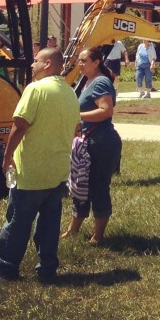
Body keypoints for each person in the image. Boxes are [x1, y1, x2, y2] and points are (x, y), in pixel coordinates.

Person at [0, 47, 79, 284]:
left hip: (31, 171)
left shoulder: (35, 89)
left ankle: (5, 269)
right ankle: (47, 269)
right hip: (57, 170)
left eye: (35, 61)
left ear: (47, 64)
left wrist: (7, 156)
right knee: (50, 223)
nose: (32, 65)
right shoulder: (69, 92)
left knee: (17, 221)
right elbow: (76, 129)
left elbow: (20, 125)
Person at [60, 48, 122, 245]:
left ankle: (98, 236)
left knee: (98, 187)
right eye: (79, 60)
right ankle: (73, 230)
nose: (80, 64)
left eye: (84, 60)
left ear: (96, 62)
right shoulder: (87, 81)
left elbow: (106, 111)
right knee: (80, 185)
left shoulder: (100, 82)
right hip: (88, 141)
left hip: (101, 142)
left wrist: (76, 116)